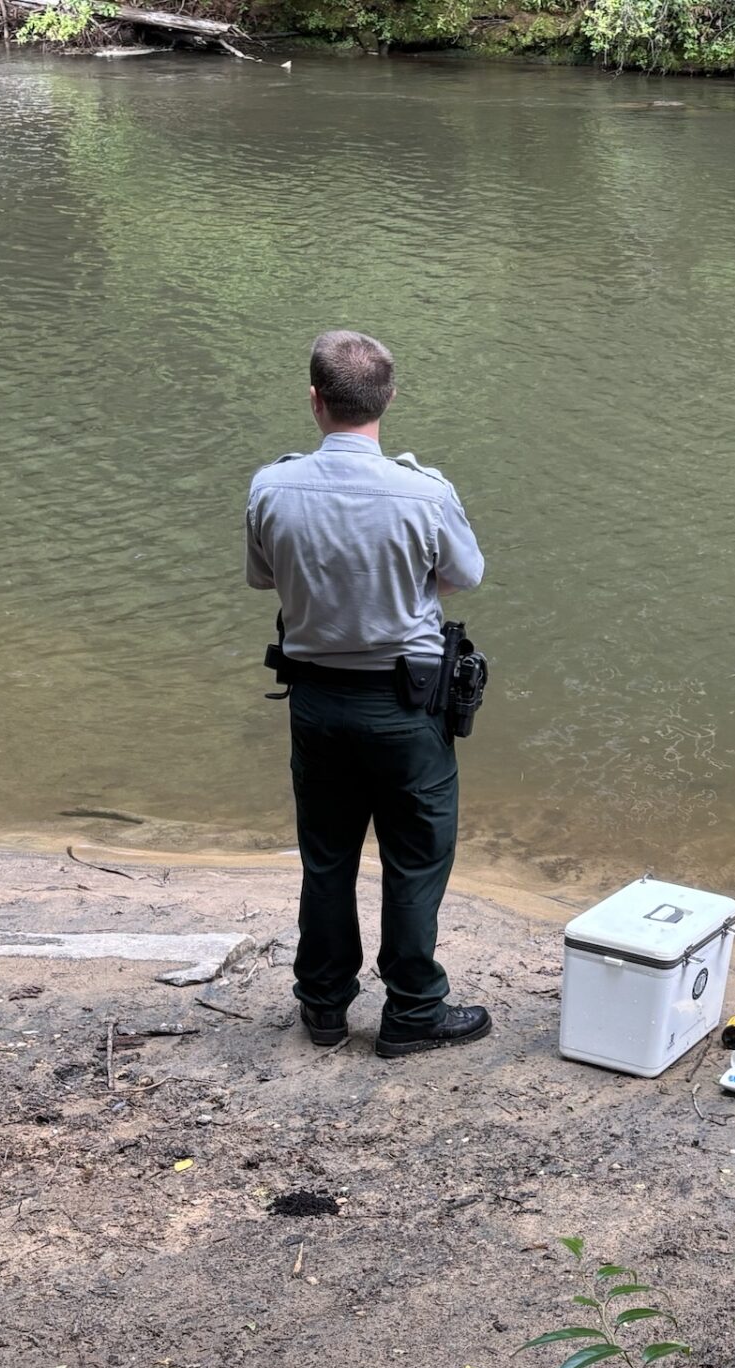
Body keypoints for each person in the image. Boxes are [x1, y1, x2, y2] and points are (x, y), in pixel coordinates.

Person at [246, 330, 493, 1058]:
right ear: (388, 398)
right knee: (415, 857)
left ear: (316, 401)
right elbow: (463, 577)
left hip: (317, 705)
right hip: (406, 708)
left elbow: (263, 578)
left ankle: (323, 1006)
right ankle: (413, 1011)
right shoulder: (425, 491)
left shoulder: (271, 486)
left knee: (327, 857)